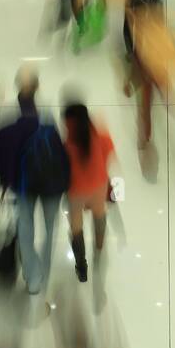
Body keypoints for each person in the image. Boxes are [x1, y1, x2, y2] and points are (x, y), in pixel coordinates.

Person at [0, 67, 69, 294]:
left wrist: (3, 181)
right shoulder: (47, 110)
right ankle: (40, 275)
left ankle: (33, 276)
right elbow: (58, 147)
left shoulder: (6, 112)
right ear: (38, 86)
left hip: (22, 183)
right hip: (50, 184)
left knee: (26, 230)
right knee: (49, 229)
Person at [62, 103, 115, 289]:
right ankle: (99, 252)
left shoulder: (67, 144)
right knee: (99, 216)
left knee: (76, 227)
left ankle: (81, 266)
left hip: (76, 191)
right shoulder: (100, 136)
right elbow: (109, 156)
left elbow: (62, 169)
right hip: (98, 186)